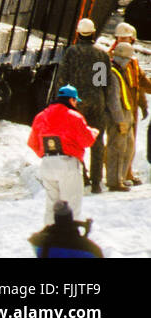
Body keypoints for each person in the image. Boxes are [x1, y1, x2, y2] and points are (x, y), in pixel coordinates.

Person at [28, 84, 98, 223]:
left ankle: (49, 237)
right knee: (71, 206)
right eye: (76, 101)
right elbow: (86, 141)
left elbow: (32, 143)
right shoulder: (74, 116)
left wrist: (47, 154)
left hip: (47, 164)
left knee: (51, 206)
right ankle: (69, 239)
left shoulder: (41, 116)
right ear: (72, 100)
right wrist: (93, 132)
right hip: (67, 164)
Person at [55, 18, 110, 192]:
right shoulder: (102, 53)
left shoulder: (71, 52)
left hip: (76, 102)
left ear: (78, 34)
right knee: (97, 141)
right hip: (97, 100)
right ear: (93, 33)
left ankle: (83, 176)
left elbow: (62, 79)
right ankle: (96, 183)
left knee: (74, 140)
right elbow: (104, 81)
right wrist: (103, 102)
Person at [112, 22, 150, 183]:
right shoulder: (106, 59)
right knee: (117, 144)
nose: (124, 41)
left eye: (127, 39)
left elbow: (140, 83)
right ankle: (115, 176)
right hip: (117, 108)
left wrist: (143, 104)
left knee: (130, 143)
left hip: (131, 108)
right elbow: (99, 85)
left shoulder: (132, 61)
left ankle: (127, 173)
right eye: (121, 38)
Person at [106, 42, 137, 192]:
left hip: (126, 112)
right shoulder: (113, 73)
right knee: (117, 148)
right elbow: (113, 100)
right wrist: (120, 121)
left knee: (128, 147)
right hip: (118, 115)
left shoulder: (122, 70)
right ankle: (114, 181)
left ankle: (122, 177)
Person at [28, 201, 102, 258]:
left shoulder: (40, 243)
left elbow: (32, 238)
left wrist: (49, 229)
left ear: (55, 217)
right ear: (70, 217)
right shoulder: (90, 249)